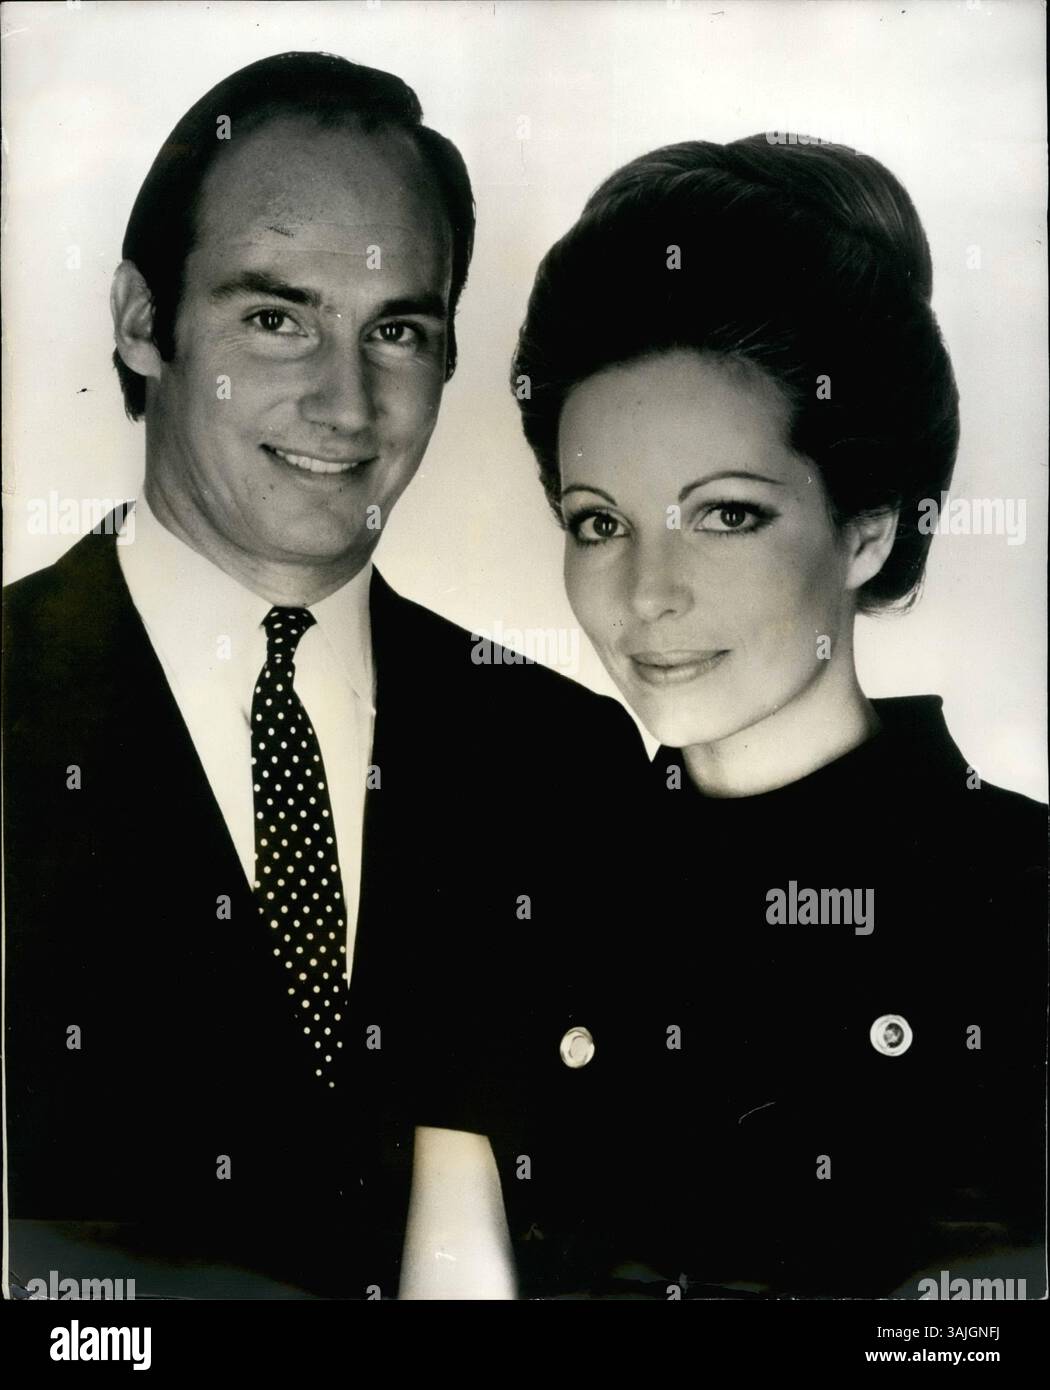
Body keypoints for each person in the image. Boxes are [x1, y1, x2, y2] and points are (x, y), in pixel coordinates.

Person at [2, 51, 648, 1301]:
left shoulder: (564, 759)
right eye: (277, 318)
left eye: (397, 330)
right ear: (141, 321)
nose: (346, 405)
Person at [498, 135, 1047, 1298]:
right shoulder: (524, 895)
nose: (648, 592)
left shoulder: (1022, 896)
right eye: (598, 522)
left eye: (727, 515)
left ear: (868, 530)